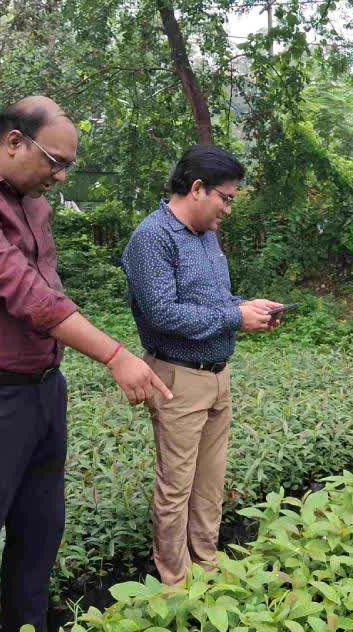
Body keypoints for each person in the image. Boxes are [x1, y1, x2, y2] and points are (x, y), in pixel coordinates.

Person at [0, 96, 171, 632]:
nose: (62, 174)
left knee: (40, 529)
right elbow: (22, 293)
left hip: (41, 388)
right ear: (13, 142)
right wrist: (115, 355)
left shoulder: (33, 204)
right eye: (55, 160)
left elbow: (38, 287)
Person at [121, 144, 281, 586]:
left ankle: (205, 563)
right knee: (176, 488)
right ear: (197, 189)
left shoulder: (207, 236)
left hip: (217, 376)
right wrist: (234, 317)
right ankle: (175, 580)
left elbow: (211, 303)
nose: (228, 209)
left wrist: (246, 307)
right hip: (177, 377)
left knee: (210, 482)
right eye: (225, 198)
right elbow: (163, 313)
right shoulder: (151, 238)